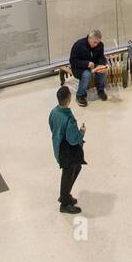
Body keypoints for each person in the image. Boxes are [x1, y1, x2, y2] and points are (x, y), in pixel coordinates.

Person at [49, 85, 86, 213]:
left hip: (57, 145)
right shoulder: (69, 118)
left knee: (74, 169)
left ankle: (65, 195)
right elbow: (73, 139)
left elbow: (51, 125)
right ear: (69, 98)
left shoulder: (54, 112)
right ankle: (64, 203)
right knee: (69, 172)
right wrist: (81, 132)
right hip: (67, 151)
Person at [69, 29, 108, 106]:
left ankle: (100, 90)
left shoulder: (100, 45)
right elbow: (73, 61)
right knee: (87, 74)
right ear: (89, 38)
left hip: (94, 65)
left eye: (98, 42)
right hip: (79, 68)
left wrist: (101, 65)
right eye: (95, 42)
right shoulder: (79, 45)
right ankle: (80, 95)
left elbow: (101, 57)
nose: (96, 44)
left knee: (102, 71)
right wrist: (86, 64)